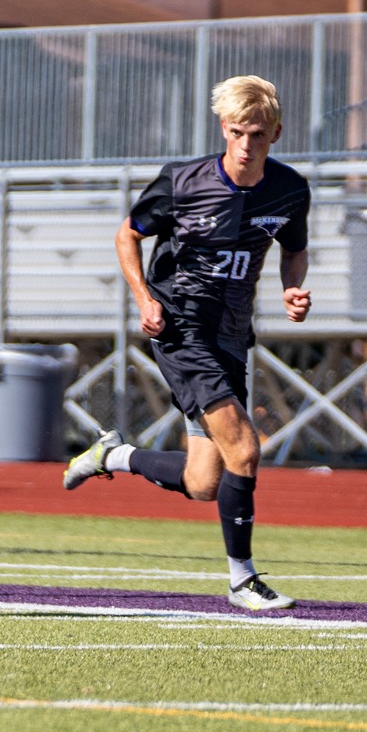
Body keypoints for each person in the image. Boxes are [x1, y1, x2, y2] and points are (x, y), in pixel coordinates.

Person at [61, 75, 312, 612]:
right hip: (179, 328)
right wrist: (144, 299)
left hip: (232, 335)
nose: (248, 145)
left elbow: (294, 249)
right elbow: (128, 233)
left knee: (203, 481)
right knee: (245, 448)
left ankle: (115, 454)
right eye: (239, 132)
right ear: (224, 128)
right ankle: (243, 580)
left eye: (260, 135)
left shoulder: (290, 189)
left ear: (277, 134)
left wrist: (293, 287)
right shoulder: (183, 181)